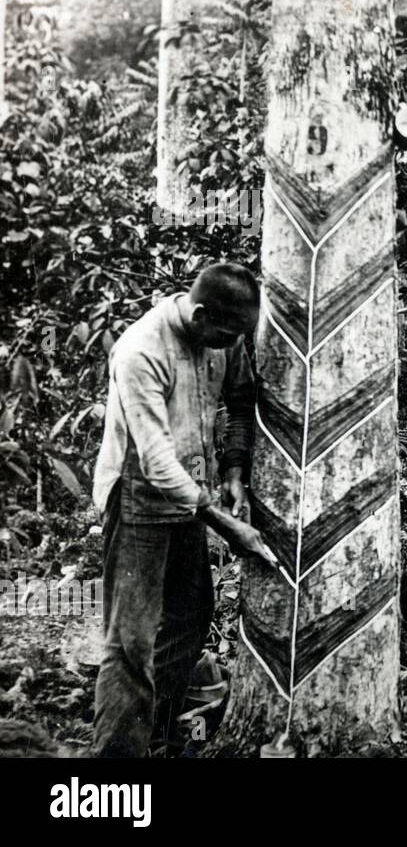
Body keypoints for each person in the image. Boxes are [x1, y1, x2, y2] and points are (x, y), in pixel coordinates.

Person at [91, 263, 275, 758]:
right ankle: (115, 764)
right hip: (137, 496)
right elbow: (154, 461)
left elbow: (241, 398)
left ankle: (159, 735)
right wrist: (226, 523)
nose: (235, 344)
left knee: (191, 618)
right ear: (200, 316)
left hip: (190, 497)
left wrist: (236, 469)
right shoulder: (140, 351)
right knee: (130, 640)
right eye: (229, 335)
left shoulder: (224, 334)